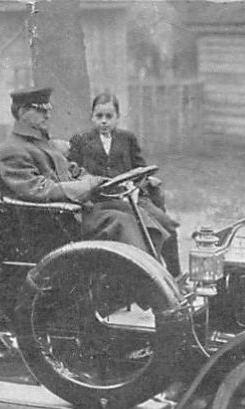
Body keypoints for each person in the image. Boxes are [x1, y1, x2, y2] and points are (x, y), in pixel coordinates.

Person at [0, 87, 169, 255]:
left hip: (72, 212)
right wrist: (86, 186)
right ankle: (142, 278)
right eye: (41, 110)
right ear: (22, 112)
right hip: (54, 224)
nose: (48, 115)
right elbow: (39, 189)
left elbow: (73, 170)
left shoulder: (41, 143)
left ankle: (157, 269)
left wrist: (101, 182)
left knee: (132, 211)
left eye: (48, 109)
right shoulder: (12, 149)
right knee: (120, 221)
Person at [69, 93, 181, 276]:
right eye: (99, 116)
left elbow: (141, 168)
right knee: (140, 232)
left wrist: (139, 185)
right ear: (92, 117)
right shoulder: (80, 140)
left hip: (132, 197)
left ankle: (175, 276)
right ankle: (153, 276)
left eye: (109, 116)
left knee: (166, 224)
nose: (104, 121)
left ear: (118, 118)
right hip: (102, 202)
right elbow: (73, 173)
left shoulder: (127, 138)